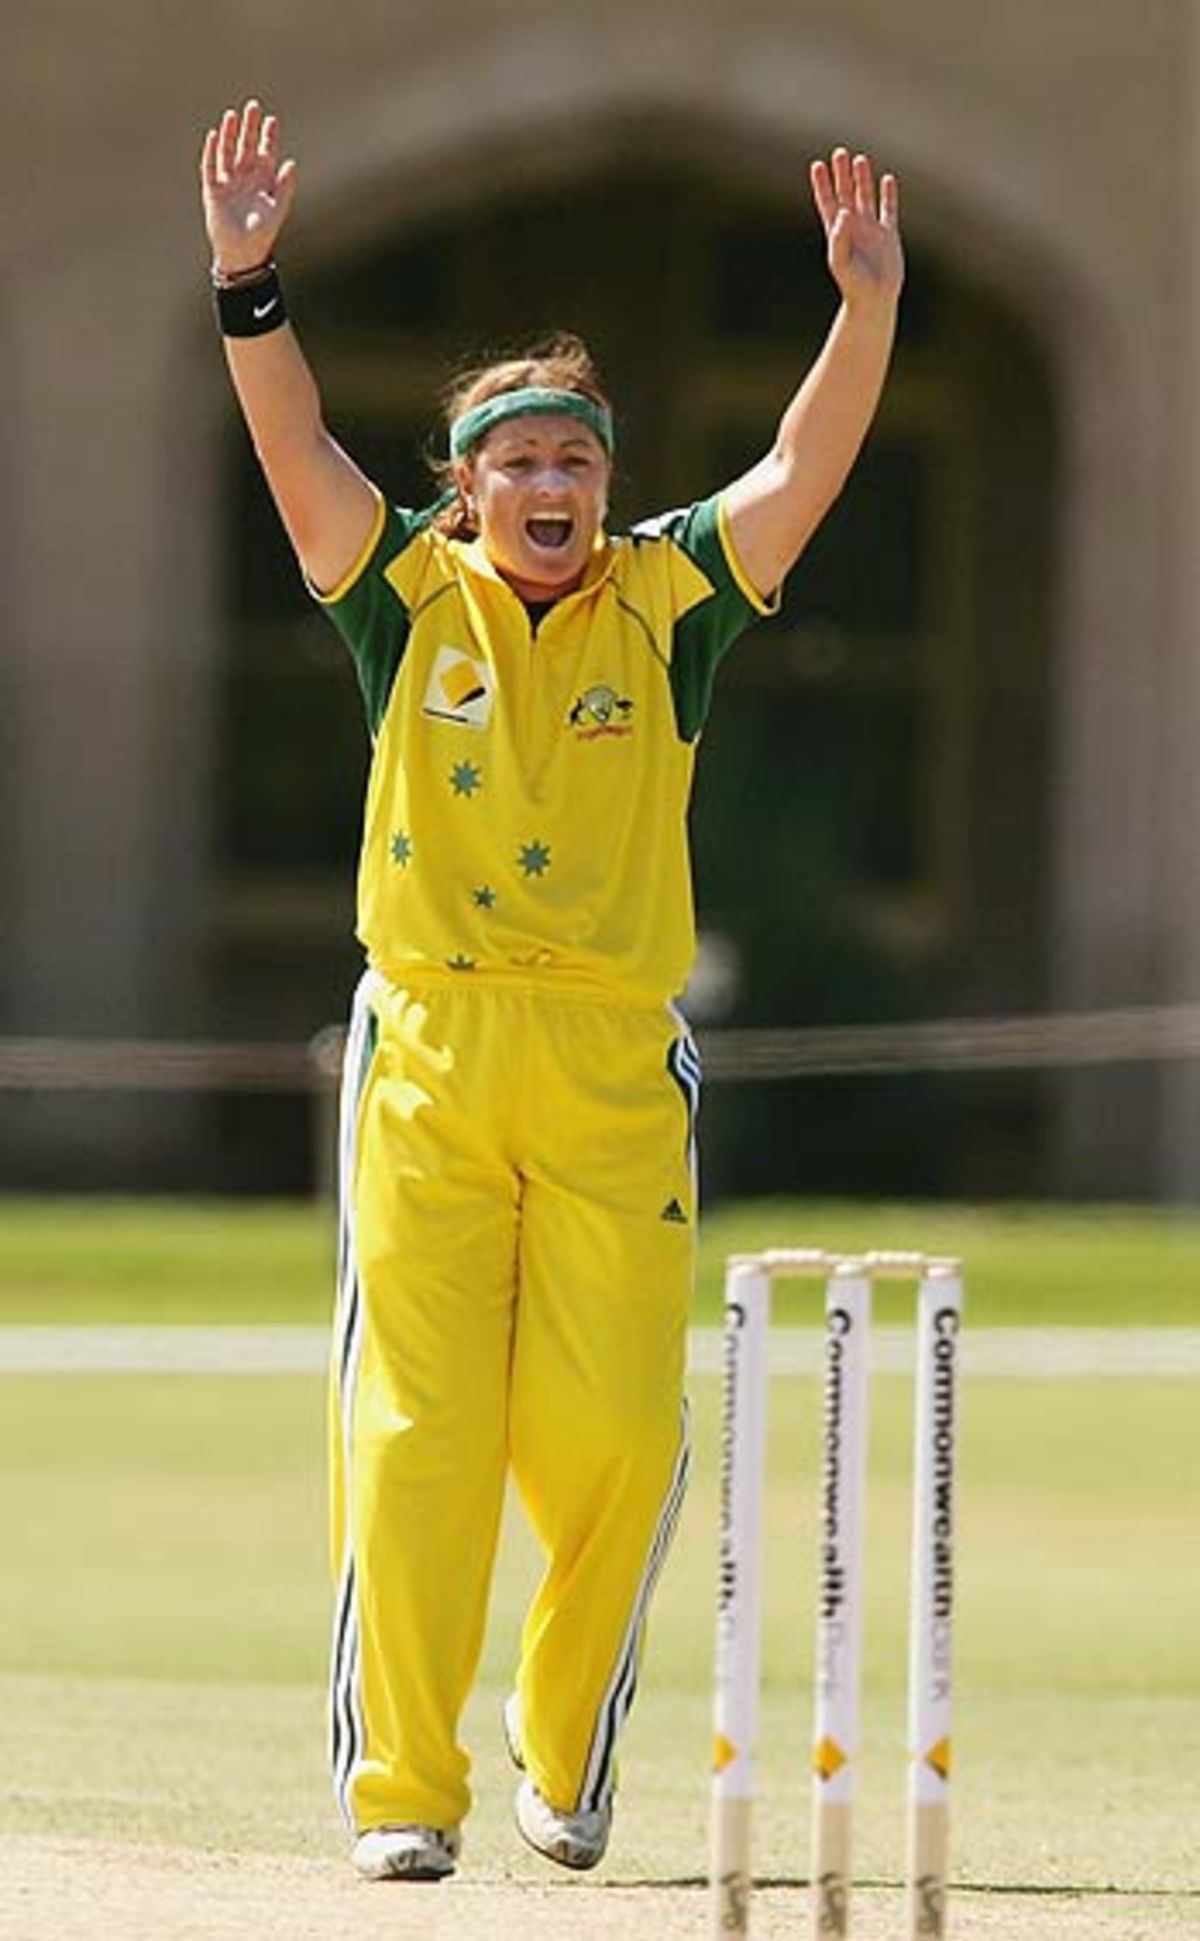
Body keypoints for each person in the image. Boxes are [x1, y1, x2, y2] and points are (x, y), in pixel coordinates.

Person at [200, 97, 904, 1883]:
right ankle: (402, 1790)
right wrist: (248, 281)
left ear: (605, 480)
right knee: (419, 1430)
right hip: (429, 1043)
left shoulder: (669, 596)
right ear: (467, 486)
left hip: (607, 1056)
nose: (549, 488)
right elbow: (293, 455)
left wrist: (865, 309)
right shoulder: (399, 596)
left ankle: (564, 1743)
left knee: (619, 1431)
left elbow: (800, 478)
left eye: (574, 462)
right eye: (515, 463)